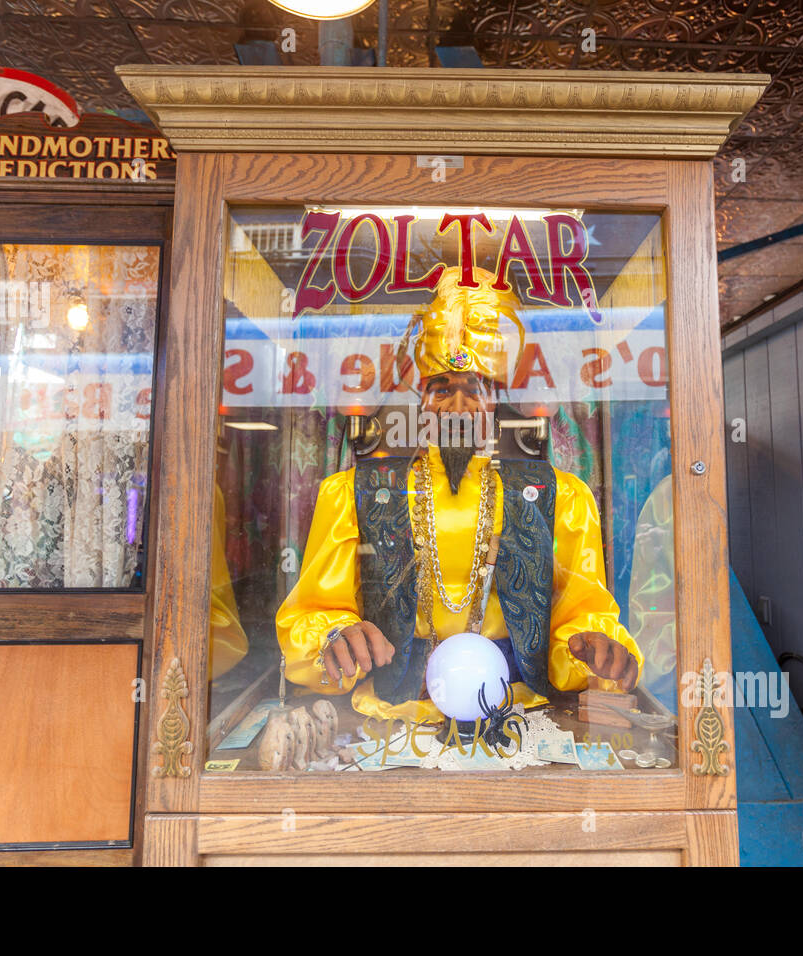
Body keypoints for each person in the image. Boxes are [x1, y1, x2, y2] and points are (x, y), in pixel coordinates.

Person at [275, 267, 642, 722]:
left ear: (496, 399)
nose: (457, 406)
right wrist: (335, 638)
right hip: (393, 712)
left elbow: (583, 616)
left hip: (517, 711)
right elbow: (309, 619)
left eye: (476, 388)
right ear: (421, 399)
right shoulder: (352, 493)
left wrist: (591, 648)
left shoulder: (561, 496)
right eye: (441, 388)